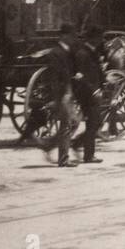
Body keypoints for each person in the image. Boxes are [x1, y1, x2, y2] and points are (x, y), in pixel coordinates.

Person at [43, 23, 103, 167]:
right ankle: (63, 158)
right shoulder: (55, 53)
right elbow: (54, 78)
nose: (73, 39)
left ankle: (54, 147)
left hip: (69, 92)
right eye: (71, 36)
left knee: (72, 123)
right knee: (67, 125)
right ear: (64, 36)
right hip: (63, 93)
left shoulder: (68, 51)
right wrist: (56, 97)